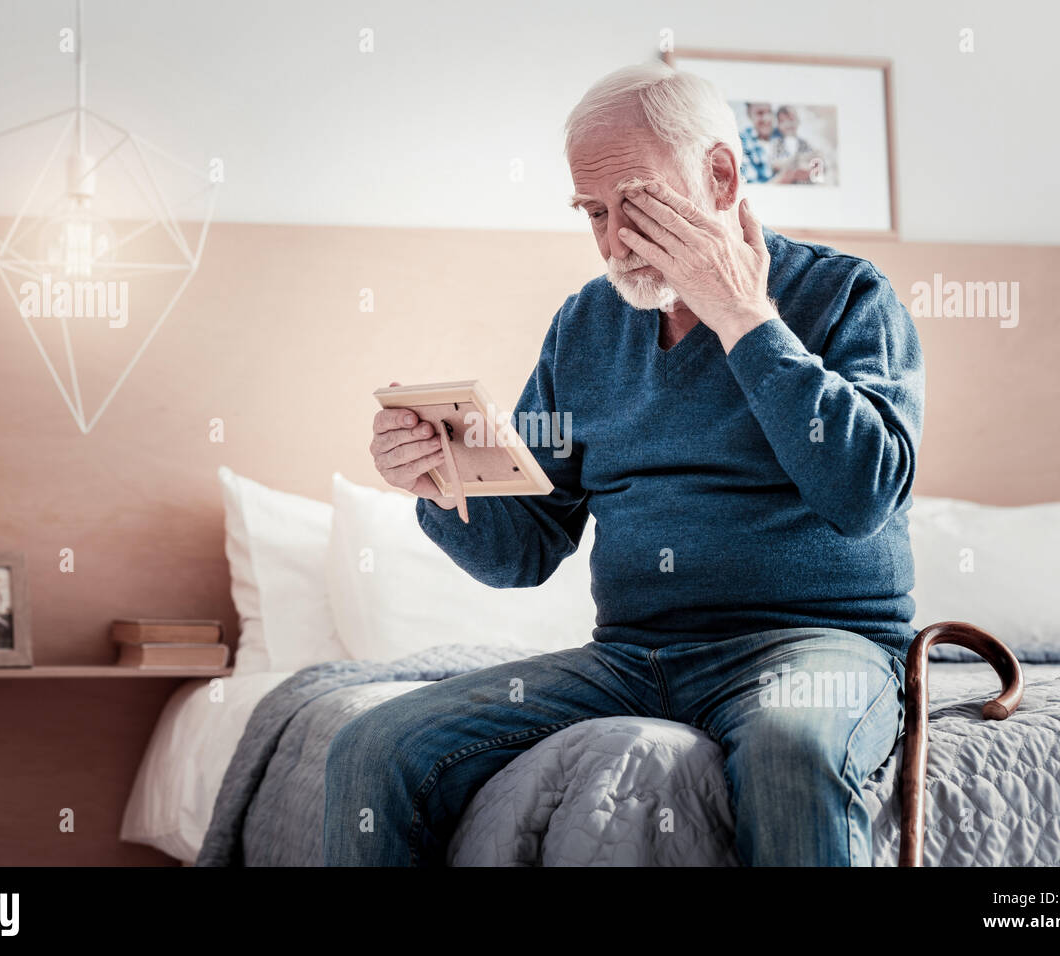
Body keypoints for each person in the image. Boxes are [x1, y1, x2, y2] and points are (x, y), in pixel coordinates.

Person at [326, 60, 924, 867]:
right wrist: (445, 484)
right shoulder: (587, 325)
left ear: (719, 175)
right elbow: (527, 549)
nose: (612, 241)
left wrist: (745, 318)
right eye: (593, 212)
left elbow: (863, 493)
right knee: (371, 746)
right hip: (632, 658)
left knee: (792, 746)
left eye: (634, 205)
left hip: (815, 646)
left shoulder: (847, 296)